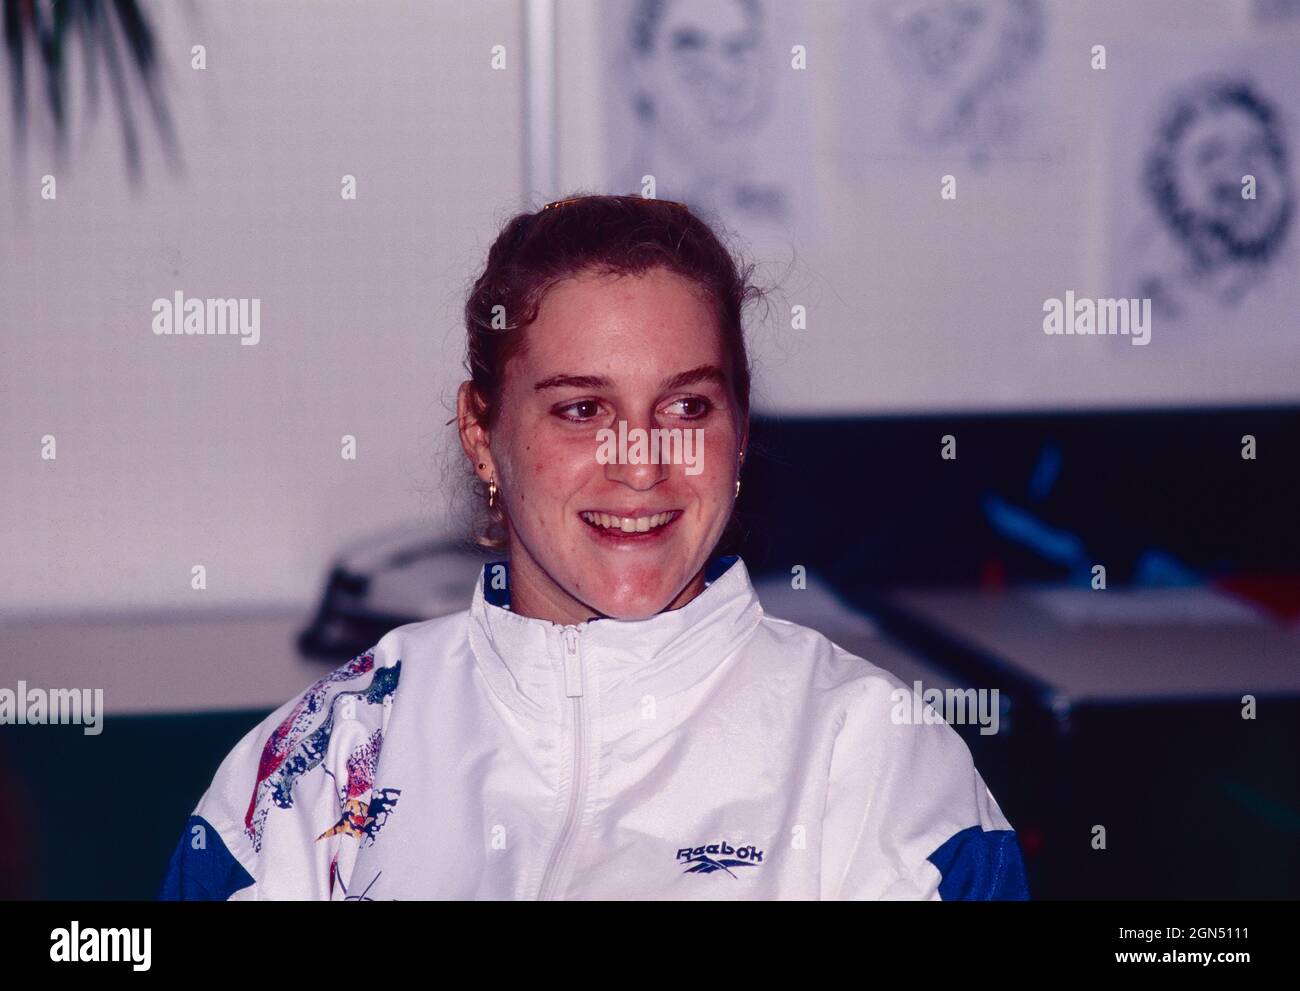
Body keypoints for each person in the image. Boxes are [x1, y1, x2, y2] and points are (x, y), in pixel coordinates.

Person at [159, 193, 1028, 900]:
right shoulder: (317, 764)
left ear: (740, 426)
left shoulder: (880, 765)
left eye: (688, 407)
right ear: (481, 431)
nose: (641, 464)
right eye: (581, 410)